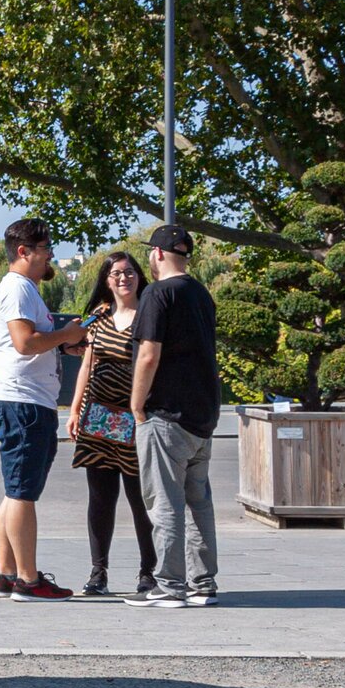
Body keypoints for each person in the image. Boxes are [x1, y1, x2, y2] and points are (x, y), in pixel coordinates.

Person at [0, 218, 91, 601]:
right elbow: (25, 343)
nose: (50, 256)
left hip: (21, 399)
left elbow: (31, 343)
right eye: (45, 249)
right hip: (22, 402)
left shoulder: (24, 289)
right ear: (24, 252)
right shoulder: (17, 288)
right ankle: (28, 581)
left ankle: (6, 575)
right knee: (22, 492)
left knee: (15, 492)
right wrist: (68, 335)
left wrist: (63, 345)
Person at [126, 223, 222, 609]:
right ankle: (203, 584)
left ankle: (169, 586)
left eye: (150, 252)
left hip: (166, 413)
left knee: (163, 502)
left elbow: (149, 353)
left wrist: (136, 404)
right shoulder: (201, 294)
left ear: (159, 254)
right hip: (202, 414)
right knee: (198, 502)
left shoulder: (157, 293)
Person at [67, 251, 157, 596]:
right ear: (106, 280)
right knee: (100, 499)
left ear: (139, 276)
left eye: (130, 272)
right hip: (98, 420)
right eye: (117, 273)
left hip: (135, 419)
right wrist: (75, 410)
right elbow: (86, 367)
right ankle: (98, 572)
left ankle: (148, 571)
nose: (124, 278)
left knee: (140, 499)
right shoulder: (98, 319)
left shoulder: (149, 315)